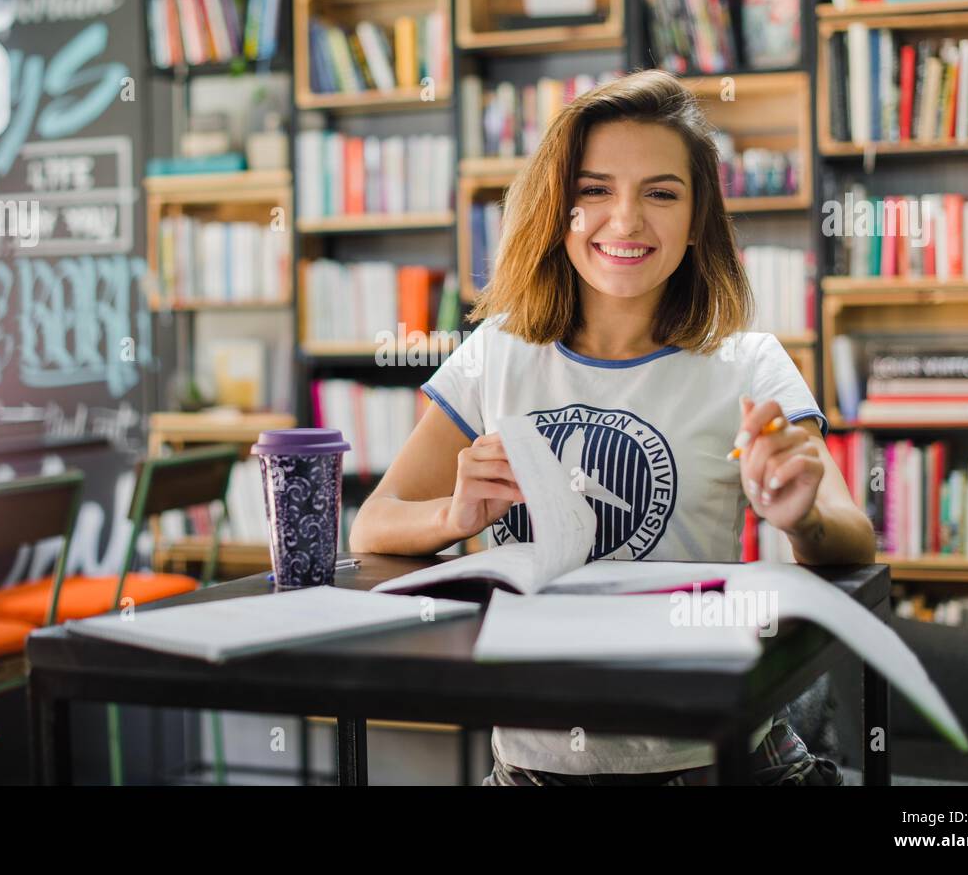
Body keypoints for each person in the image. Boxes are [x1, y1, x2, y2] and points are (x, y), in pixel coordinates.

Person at [348, 69, 876, 785]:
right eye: (594, 191)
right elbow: (373, 525)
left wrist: (803, 515)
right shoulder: (495, 352)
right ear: (557, 209)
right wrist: (454, 513)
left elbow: (853, 536)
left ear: (697, 222)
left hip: (713, 758)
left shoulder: (749, 360)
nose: (625, 220)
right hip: (532, 767)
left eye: (660, 193)